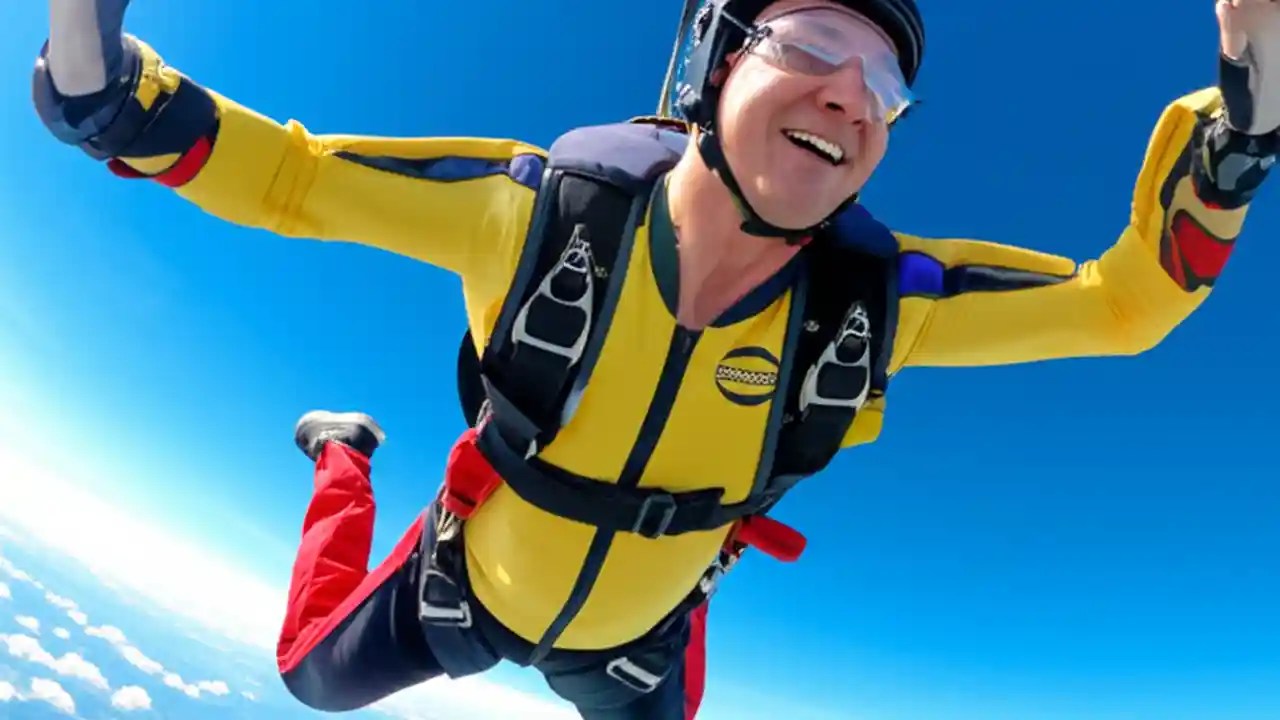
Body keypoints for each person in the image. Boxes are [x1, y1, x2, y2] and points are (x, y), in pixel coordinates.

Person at [31, 0, 1280, 717]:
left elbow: (1124, 303)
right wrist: (112, 99)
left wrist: (1230, 142)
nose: (852, 93)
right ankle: (346, 457)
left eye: (886, 77)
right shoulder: (537, 212)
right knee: (308, 675)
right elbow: (295, 179)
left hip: (634, 646)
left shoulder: (874, 305)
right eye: (808, 43)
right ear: (714, 63)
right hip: (461, 583)